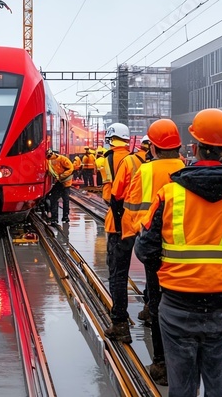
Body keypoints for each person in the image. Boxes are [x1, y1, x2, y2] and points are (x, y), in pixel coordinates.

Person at [133, 108, 222, 397]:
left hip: (178, 303)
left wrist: (168, 269)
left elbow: (145, 249)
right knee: (215, 380)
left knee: (181, 383)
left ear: (194, 147)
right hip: (221, 304)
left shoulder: (170, 193)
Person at [122, 119, 185, 386]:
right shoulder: (186, 169)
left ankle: (161, 362)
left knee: (158, 304)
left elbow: (131, 207)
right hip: (182, 249)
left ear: (154, 147)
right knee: (178, 305)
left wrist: (131, 235)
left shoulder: (145, 171)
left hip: (154, 247)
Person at [100, 123, 138, 343]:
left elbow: (109, 194)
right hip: (139, 223)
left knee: (117, 274)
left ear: (110, 138)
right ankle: (150, 312)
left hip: (117, 224)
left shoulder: (109, 159)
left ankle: (120, 323)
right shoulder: (136, 160)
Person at [45, 148, 74, 223]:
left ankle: (56, 218)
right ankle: (64, 218)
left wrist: (61, 176)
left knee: (55, 199)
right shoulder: (50, 160)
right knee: (63, 200)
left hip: (64, 182)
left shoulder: (61, 159)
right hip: (61, 182)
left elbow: (70, 169)